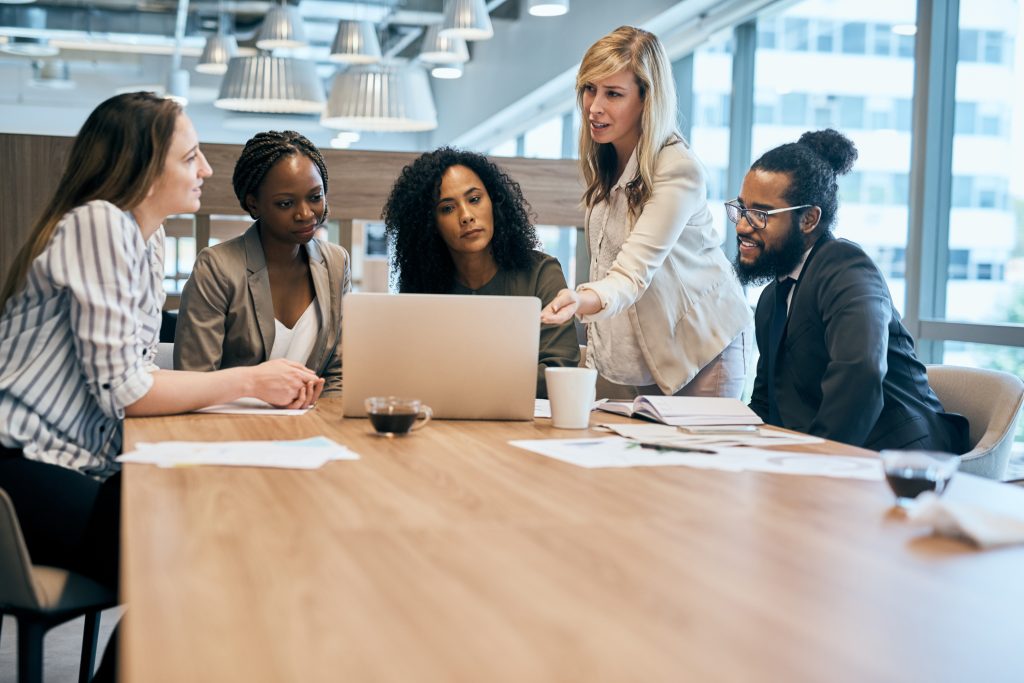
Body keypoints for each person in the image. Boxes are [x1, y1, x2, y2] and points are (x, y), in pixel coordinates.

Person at [0, 93, 321, 679]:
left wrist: (246, 387)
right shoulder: (100, 224)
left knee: (214, 531)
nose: (205, 170)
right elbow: (127, 390)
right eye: (191, 157)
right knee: (202, 559)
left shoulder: (145, 242)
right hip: (18, 467)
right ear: (145, 169)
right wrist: (247, 379)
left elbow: (137, 373)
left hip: (72, 464)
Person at [541, 26, 752, 399]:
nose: (594, 106)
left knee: (689, 458)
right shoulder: (605, 162)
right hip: (635, 358)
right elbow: (604, 266)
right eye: (590, 89)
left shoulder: (675, 167)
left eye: (613, 94)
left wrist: (579, 300)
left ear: (646, 100)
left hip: (699, 352)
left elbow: (631, 275)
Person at [729, 128, 969, 452]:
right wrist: (725, 446)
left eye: (760, 214)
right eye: (742, 209)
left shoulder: (845, 268)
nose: (743, 226)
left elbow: (861, 372)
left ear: (809, 219)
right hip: (826, 459)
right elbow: (766, 405)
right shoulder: (772, 300)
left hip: (900, 459)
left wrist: (815, 462)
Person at [382, 147, 579, 398]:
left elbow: (558, 371)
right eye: (447, 208)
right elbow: (408, 372)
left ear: (494, 202)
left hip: (526, 428)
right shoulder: (422, 285)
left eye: (474, 199)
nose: (466, 216)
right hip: (443, 425)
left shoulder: (542, 273)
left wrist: (464, 382)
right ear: (429, 224)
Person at [175, 131, 351, 394]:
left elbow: (337, 375)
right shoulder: (217, 267)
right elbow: (194, 380)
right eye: (285, 203)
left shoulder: (336, 262)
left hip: (309, 425)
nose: (305, 214)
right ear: (253, 204)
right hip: (231, 425)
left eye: (315, 197)